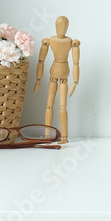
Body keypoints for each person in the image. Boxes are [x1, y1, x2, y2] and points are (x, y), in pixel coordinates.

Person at [32, 16, 80, 144]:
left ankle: (64, 136)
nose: (61, 28)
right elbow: (41, 61)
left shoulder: (70, 42)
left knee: (62, 107)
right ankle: (47, 135)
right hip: (54, 75)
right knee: (50, 105)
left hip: (63, 75)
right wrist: (38, 79)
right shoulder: (51, 41)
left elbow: (76, 63)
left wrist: (75, 82)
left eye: (63, 26)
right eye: (59, 25)